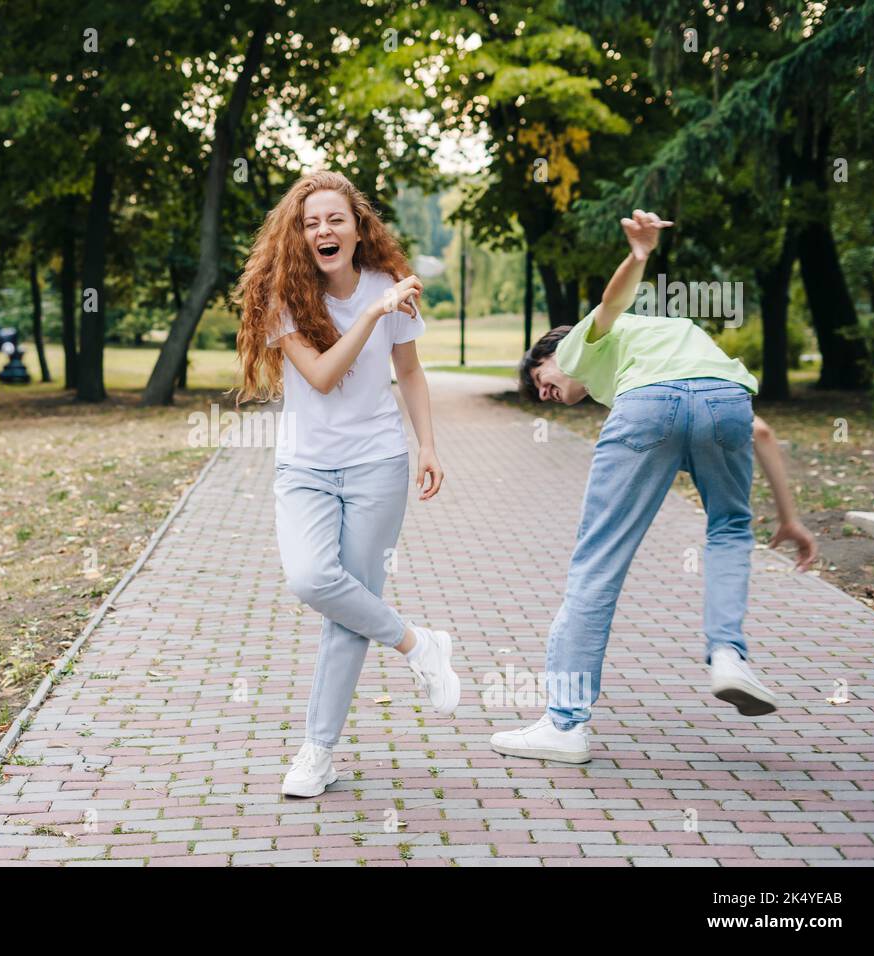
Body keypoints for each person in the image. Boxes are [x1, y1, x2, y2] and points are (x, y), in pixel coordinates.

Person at [489, 209, 817, 764]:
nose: (545, 393)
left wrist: (639, 256)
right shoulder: (668, 334)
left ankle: (565, 724)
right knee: (732, 527)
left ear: (554, 354)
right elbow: (761, 429)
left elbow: (613, 301)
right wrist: (788, 517)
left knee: (599, 558)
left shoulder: (581, 343)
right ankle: (728, 655)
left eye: (541, 382)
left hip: (650, 406)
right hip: (724, 400)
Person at [233, 170, 462, 798]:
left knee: (349, 611)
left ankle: (318, 750)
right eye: (310, 223)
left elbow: (409, 373)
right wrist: (372, 313)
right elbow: (327, 374)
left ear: (358, 228)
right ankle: (419, 643)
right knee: (310, 579)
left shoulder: (390, 287)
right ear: (298, 236)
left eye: (334, 219)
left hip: (376, 463)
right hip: (305, 466)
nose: (322, 231)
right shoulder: (283, 295)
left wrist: (428, 447)